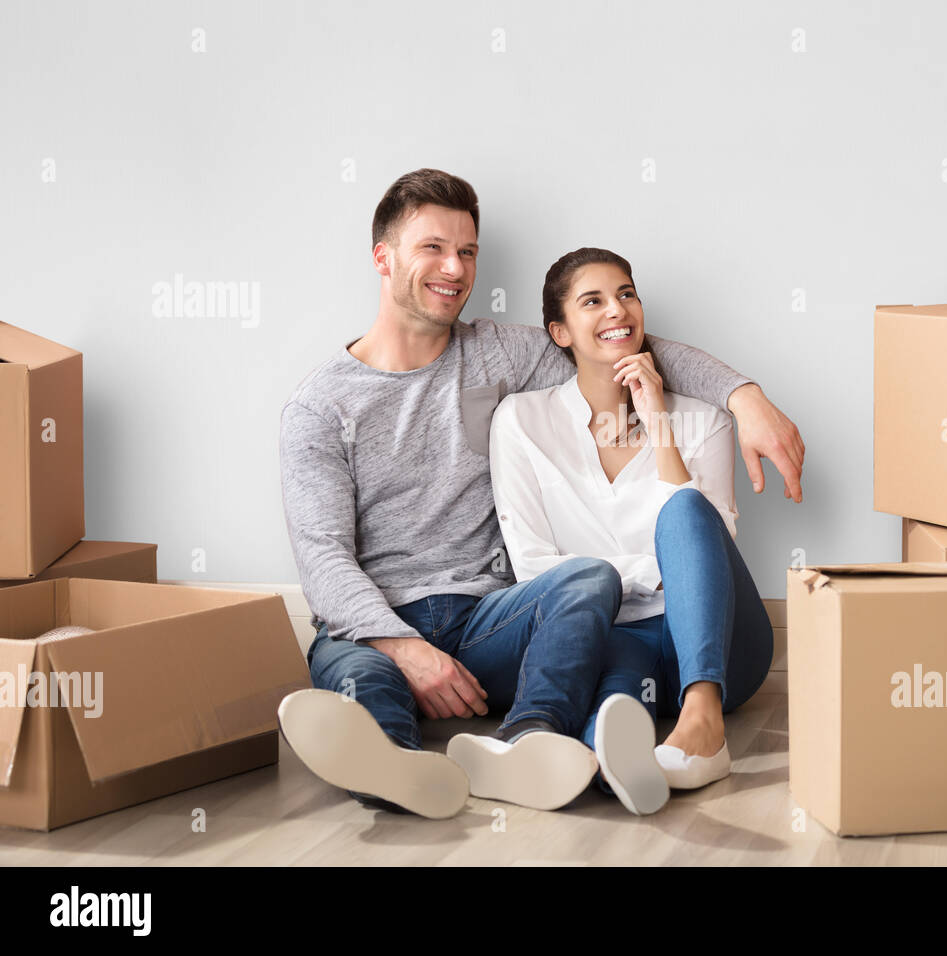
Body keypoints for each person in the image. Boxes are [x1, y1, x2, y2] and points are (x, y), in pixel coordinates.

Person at [276, 169, 804, 818]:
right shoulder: (319, 405)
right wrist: (403, 646)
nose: (455, 267)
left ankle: (528, 740)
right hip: (372, 626)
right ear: (383, 258)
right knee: (366, 681)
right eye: (432, 248)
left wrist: (740, 394)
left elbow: (618, 344)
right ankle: (397, 766)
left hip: (485, 620)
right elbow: (323, 556)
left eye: (468, 251)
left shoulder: (498, 353)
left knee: (587, 579)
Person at [449, 248, 774, 816]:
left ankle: (704, 722)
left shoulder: (705, 419)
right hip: (613, 634)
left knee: (685, 511)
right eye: (592, 301)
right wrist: (652, 577)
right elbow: (532, 566)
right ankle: (602, 770)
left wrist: (657, 424)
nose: (616, 310)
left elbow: (708, 545)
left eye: (626, 294)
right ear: (560, 331)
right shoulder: (521, 421)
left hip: (711, 642)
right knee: (617, 705)